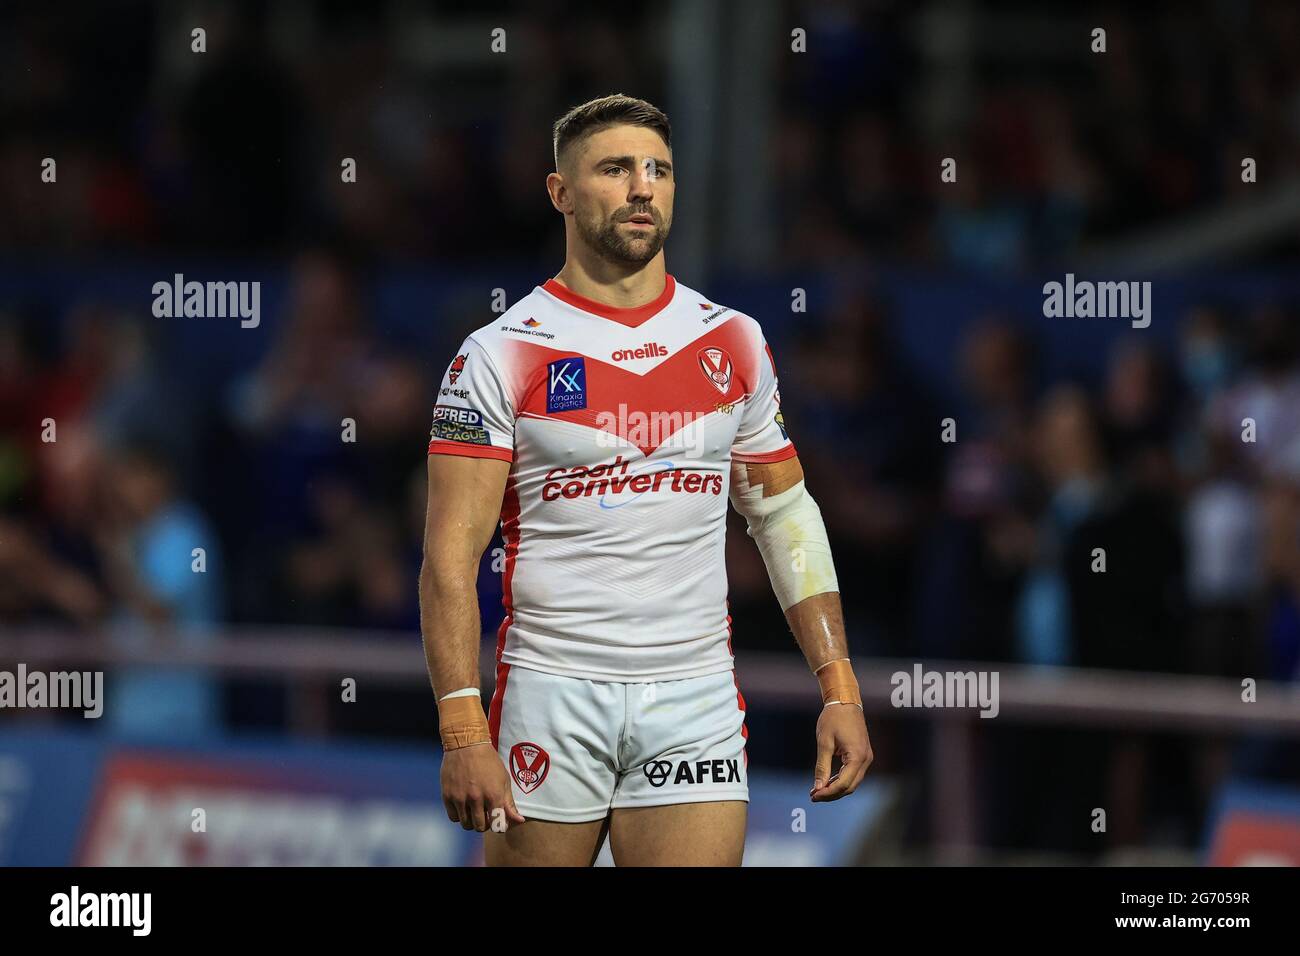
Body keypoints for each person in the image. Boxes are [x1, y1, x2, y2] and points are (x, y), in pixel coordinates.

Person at [418, 94, 871, 866]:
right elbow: (450, 561)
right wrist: (463, 731)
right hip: (552, 693)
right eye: (616, 168)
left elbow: (784, 516)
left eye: (658, 169)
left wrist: (841, 687)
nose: (642, 187)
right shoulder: (497, 354)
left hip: (692, 695)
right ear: (560, 192)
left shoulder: (733, 339)